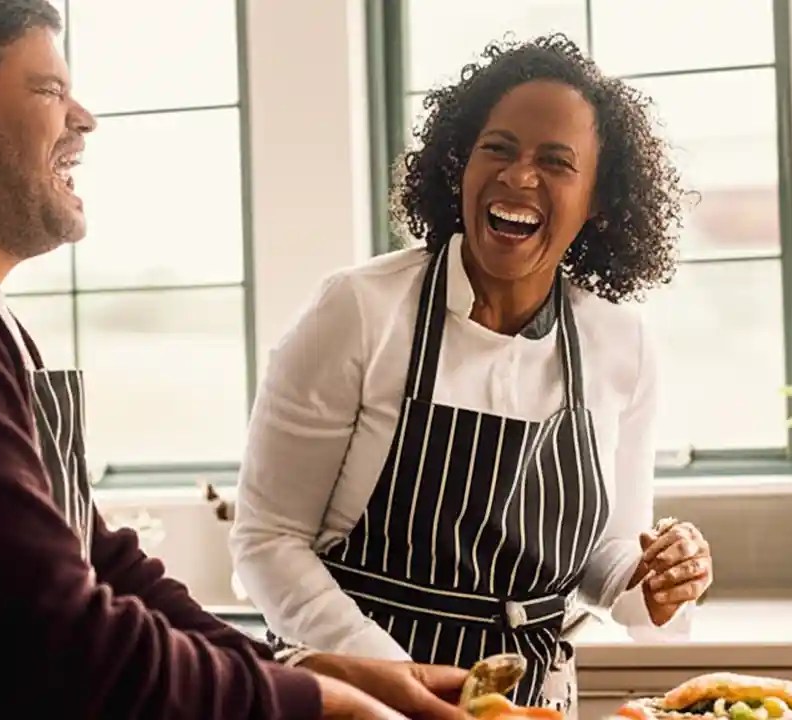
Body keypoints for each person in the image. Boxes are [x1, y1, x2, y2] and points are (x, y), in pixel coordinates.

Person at [0, 0, 474, 717]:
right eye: (48, 91)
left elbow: (101, 565)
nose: (84, 119)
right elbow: (61, 640)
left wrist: (307, 667)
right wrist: (321, 707)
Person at [229, 34, 715, 712]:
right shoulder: (361, 311)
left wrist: (658, 579)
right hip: (358, 700)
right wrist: (397, 684)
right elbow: (267, 540)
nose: (519, 177)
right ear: (460, 164)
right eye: (498, 148)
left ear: (599, 200)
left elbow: (606, 553)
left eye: (555, 161)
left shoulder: (621, 344)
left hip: (531, 703)